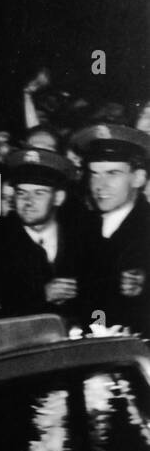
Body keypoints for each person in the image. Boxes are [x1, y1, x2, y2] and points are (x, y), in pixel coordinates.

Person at [0, 147, 92, 327]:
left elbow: (100, 300)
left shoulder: (82, 236)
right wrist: (42, 296)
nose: (28, 202)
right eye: (21, 193)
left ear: (58, 198)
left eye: (39, 193)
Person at [71, 123, 150, 334]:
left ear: (138, 178)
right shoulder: (80, 226)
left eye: (112, 173)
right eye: (94, 173)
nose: (100, 185)